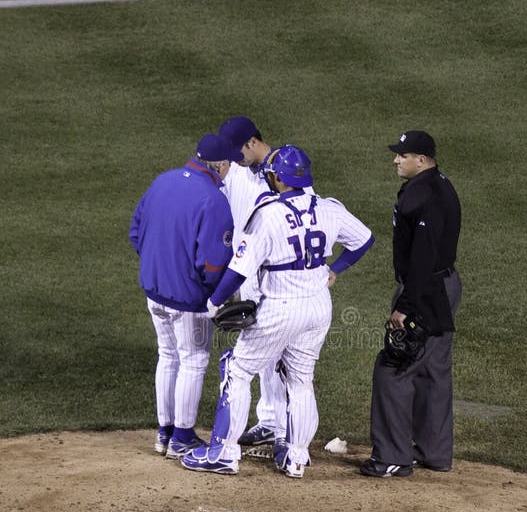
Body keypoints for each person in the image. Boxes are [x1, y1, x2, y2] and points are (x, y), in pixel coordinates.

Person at [181, 145, 375, 478]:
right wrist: (335, 269)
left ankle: (223, 454)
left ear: (279, 179)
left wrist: (214, 303)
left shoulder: (268, 214)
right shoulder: (329, 208)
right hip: (318, 305)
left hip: (281, 306)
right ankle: (296, 458)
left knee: (238, 370)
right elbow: (364, 239)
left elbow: (239, 270)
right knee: (301, 380)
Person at [129, 134, 238, 459]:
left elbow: (136, 233)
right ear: (221, 164)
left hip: (154, 291)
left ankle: (164, 433)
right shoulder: (213, 199)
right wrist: (219, 295)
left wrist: (160, 266)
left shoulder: (162, 181)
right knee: (194, 360)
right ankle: (182, 437)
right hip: (190, 300)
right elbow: (213, 263)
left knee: (168, 355)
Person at [360, 130, 462, 478]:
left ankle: (391, 456)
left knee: (393, 367)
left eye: (402, 156)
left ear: (421, 160)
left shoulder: (423, 195)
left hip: (426, 289)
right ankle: (435, 452)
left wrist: (405, 304)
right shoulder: (439, 183)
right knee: (433, 369)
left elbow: (423, 256)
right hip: (443, 283)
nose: (396, 160)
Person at [218, 115, 289, 451]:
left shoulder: (286, 170)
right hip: (247, 273)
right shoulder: (236, 171)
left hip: (277, 277)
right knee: (263, 353)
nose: (235, 159)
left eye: (239, 152)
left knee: (284, 356)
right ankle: (271, 421)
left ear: (253, 142)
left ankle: (287, 430)